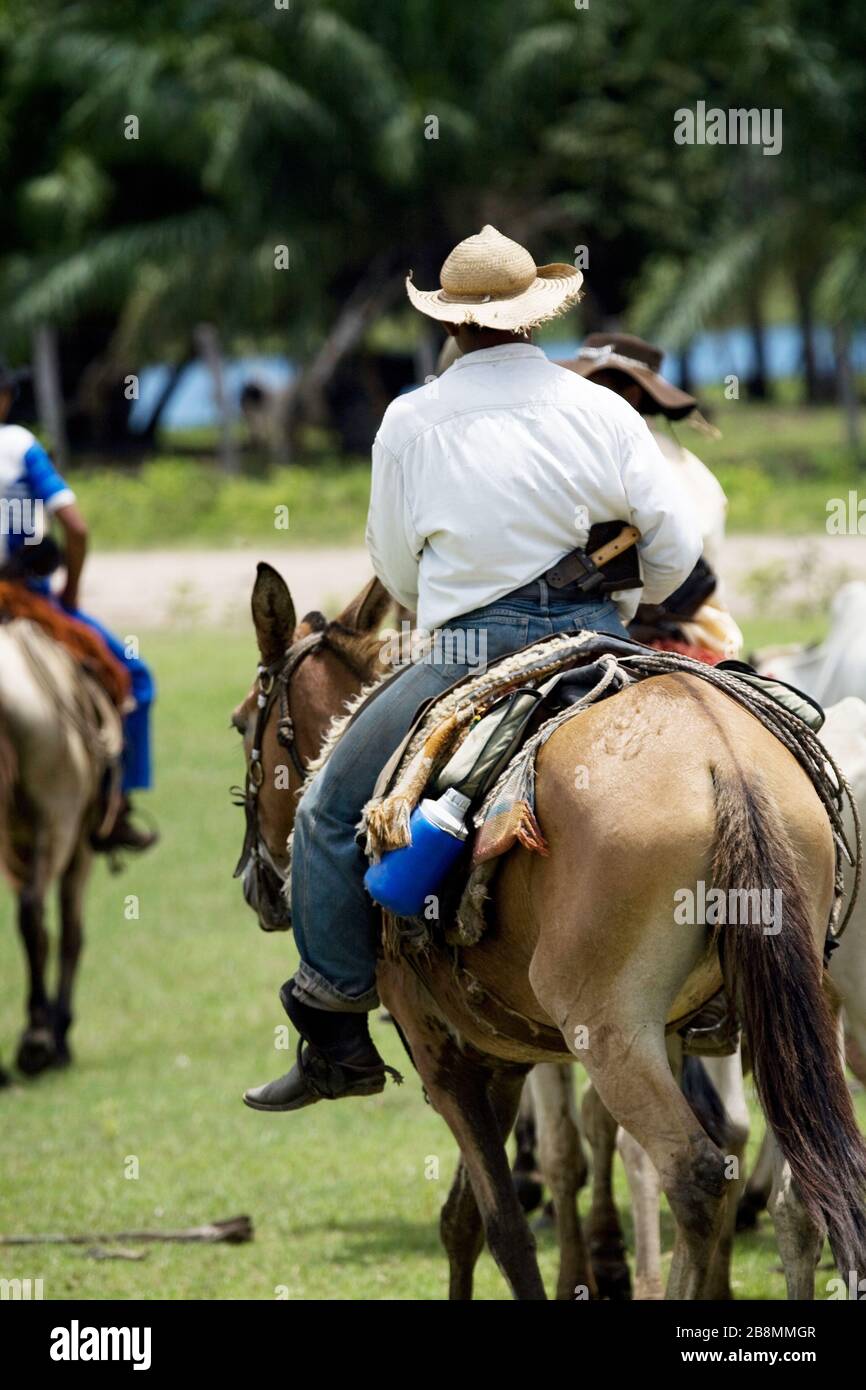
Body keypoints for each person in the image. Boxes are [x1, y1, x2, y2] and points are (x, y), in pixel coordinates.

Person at [243, 225, 701, 1113]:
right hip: (604, 638)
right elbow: (673, 546)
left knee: (332, 804)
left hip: (466, 650)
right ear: (537, 317)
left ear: (450, 325)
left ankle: (336, 1021)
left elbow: (397, 570)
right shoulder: (601, 409)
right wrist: (623, 613)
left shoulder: (412, 419)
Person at [0, 360, 157, 853]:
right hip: (27, 601)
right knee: (134, 676)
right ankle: (118, 808)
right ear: (5, 397)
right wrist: (69, 593)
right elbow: (78, 528)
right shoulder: (20, 445)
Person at [561, 332, 743, 661]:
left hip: (676, 625)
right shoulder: (597, 449)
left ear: (630, 393)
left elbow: (682, 564)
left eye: (593, 386)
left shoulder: (668, 464)